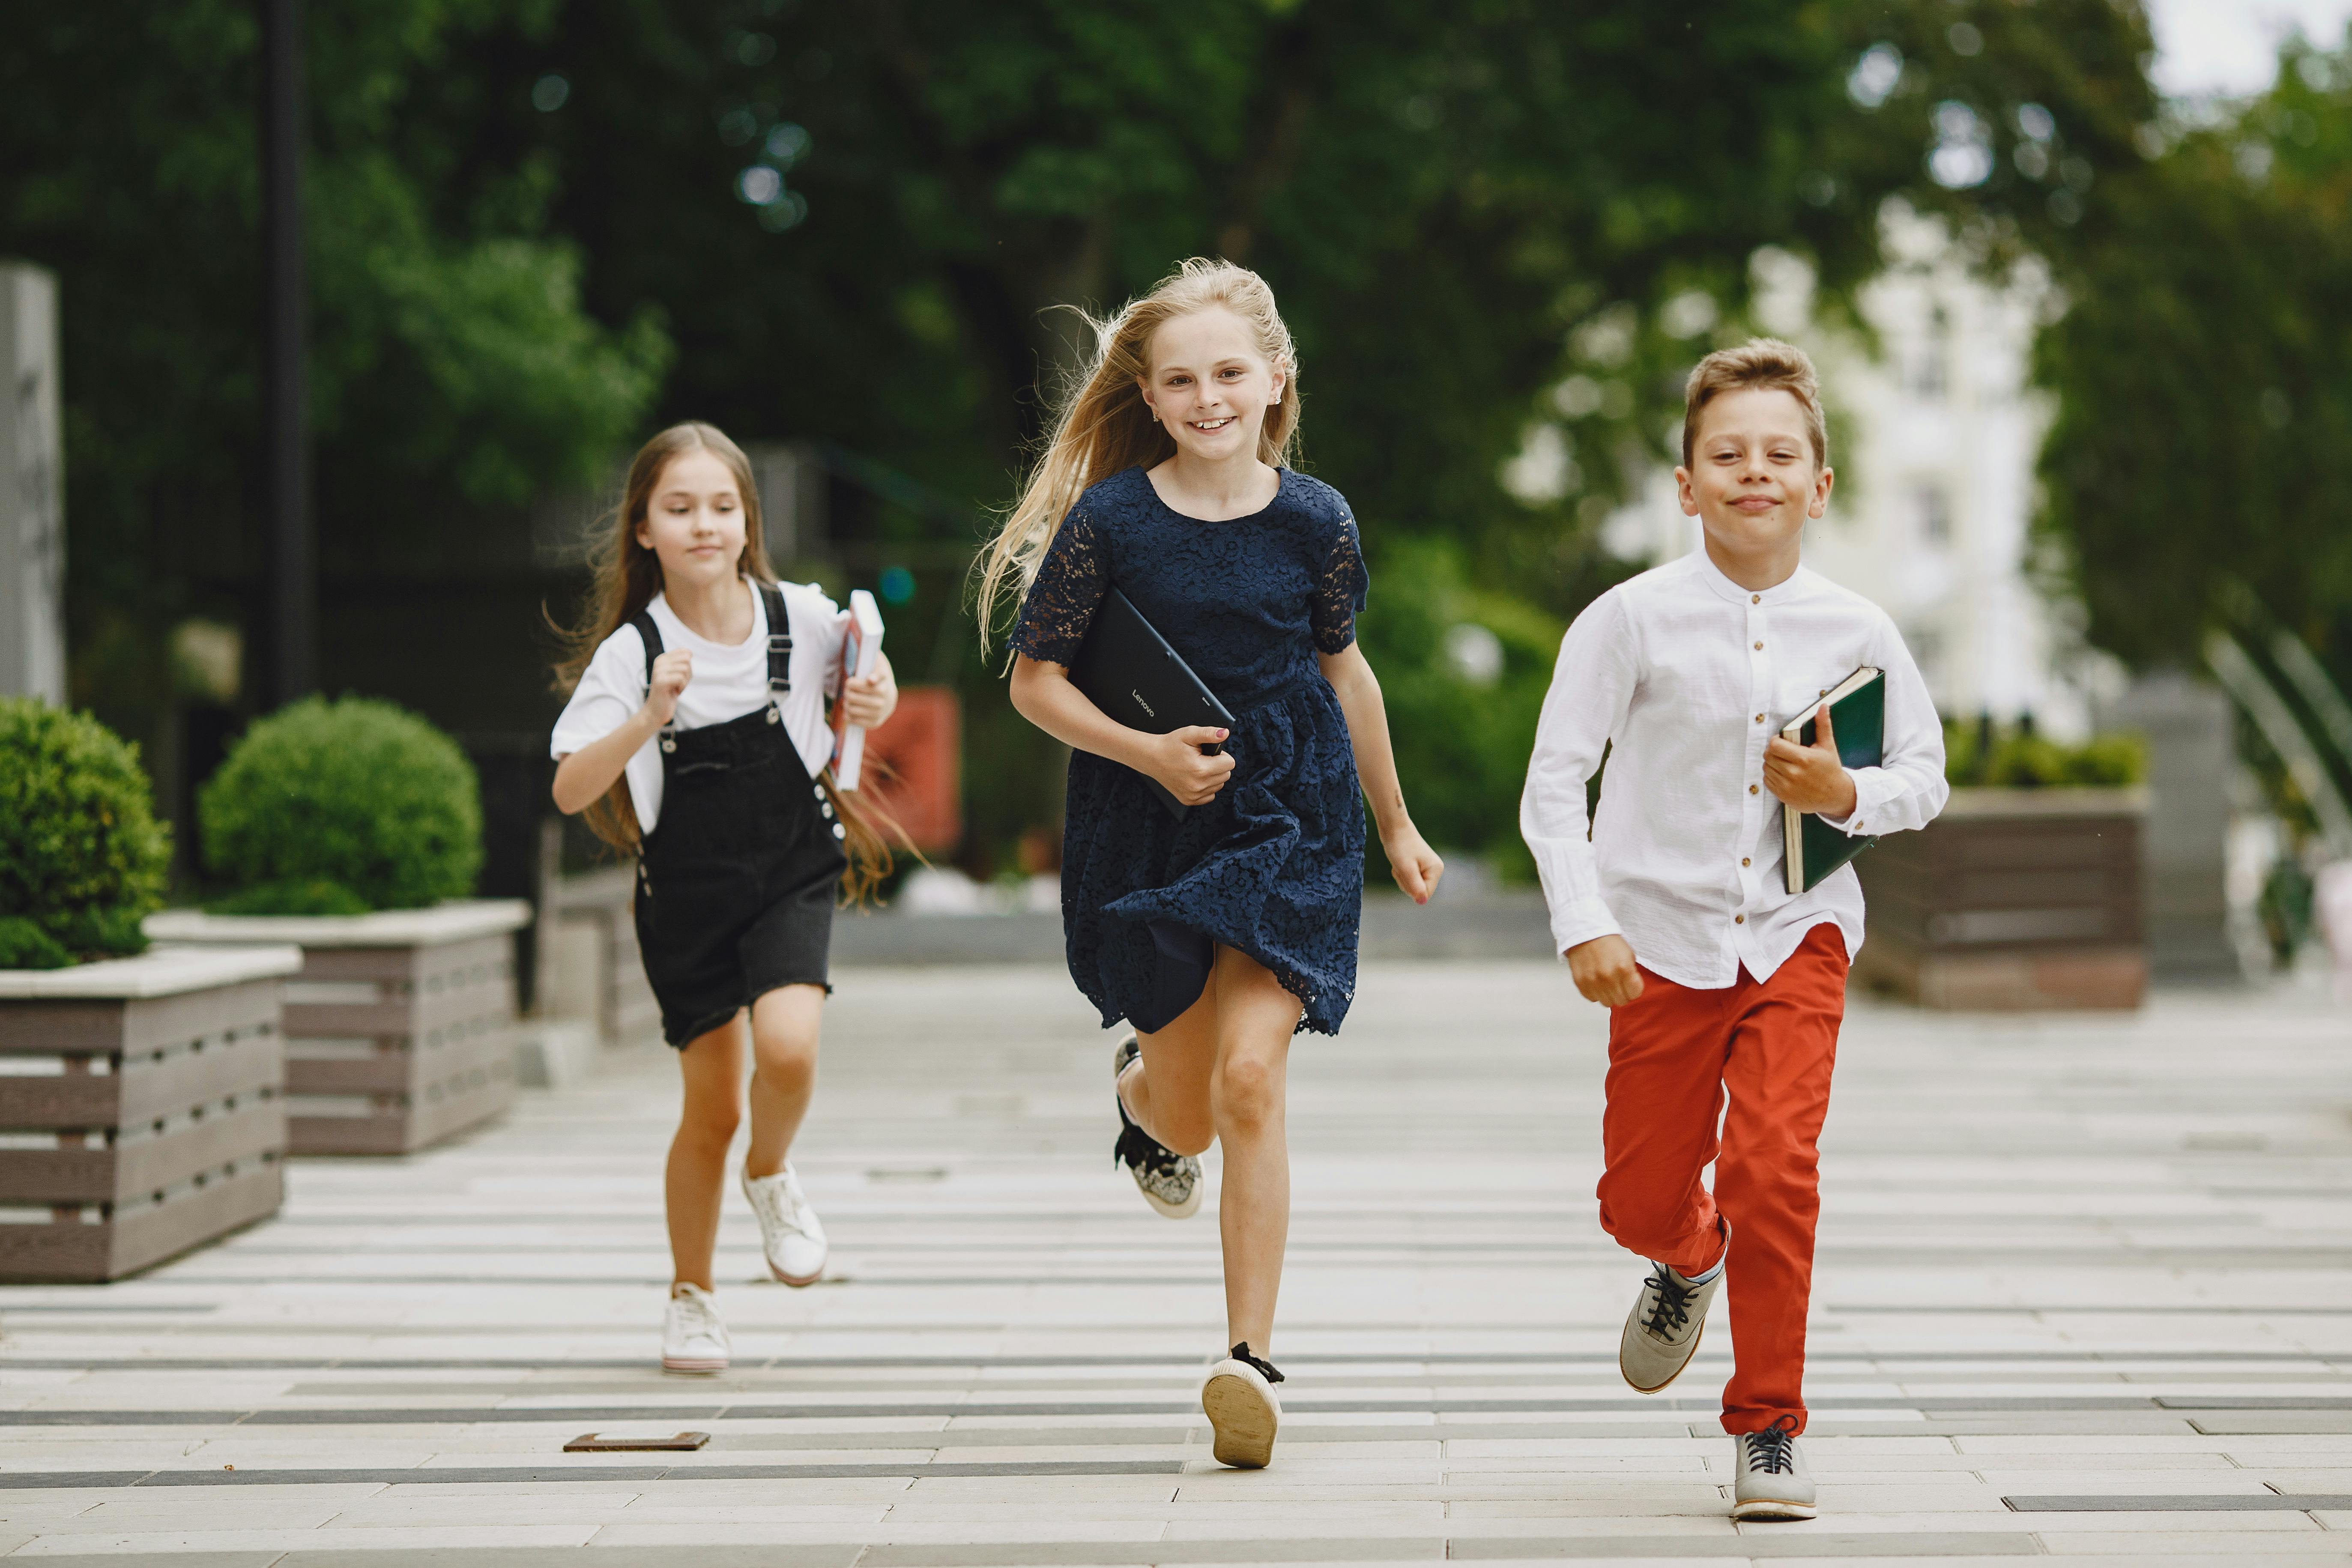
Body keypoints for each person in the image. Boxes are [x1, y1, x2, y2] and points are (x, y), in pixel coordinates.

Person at [979, 258, 1445, 1469]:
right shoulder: (1112, 521)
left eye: (1229, 371)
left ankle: (1249, 1359)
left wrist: (1393, 823)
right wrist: (1145, 752)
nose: (1207, 395)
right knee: (1188, 1105)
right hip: (1149, 828)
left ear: (1274, 378)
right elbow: (1035, 683)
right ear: (1149, 389)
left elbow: (1345, 670)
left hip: (1292, 818)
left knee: (1251, 1081)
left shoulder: (1317, 520)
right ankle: (1141, 1100)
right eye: (1181, 377)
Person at [1519, 340, 1947, 1521]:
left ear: (1819, 483)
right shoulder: (1627, 621)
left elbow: (1924, 772)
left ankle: (1767, 1420)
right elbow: (1555, 781)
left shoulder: (1859, 628)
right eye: (1726, 453)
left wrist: (1844, 797)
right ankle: (1686, 1251)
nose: (1750, 471)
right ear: (1684, 482)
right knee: (1634, 1196)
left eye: (1778, 454)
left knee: (1774, 1165)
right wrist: (1582, 919)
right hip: (1656, 939)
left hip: (1799, 935)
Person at [550, 421, 900, 1374]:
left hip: (791, 869)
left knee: (787, 1049)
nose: (703, 524)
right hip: (688, 900)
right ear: (643, 532)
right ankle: (691, 1295)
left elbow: (867, 671)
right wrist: (650, 715)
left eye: (721, 506)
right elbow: (572, 787)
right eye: (679, 508)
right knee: (708, 1108)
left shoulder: (799, 614)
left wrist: (872, 696)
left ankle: (770, 1171)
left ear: (748, 522)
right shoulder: (633, 652)